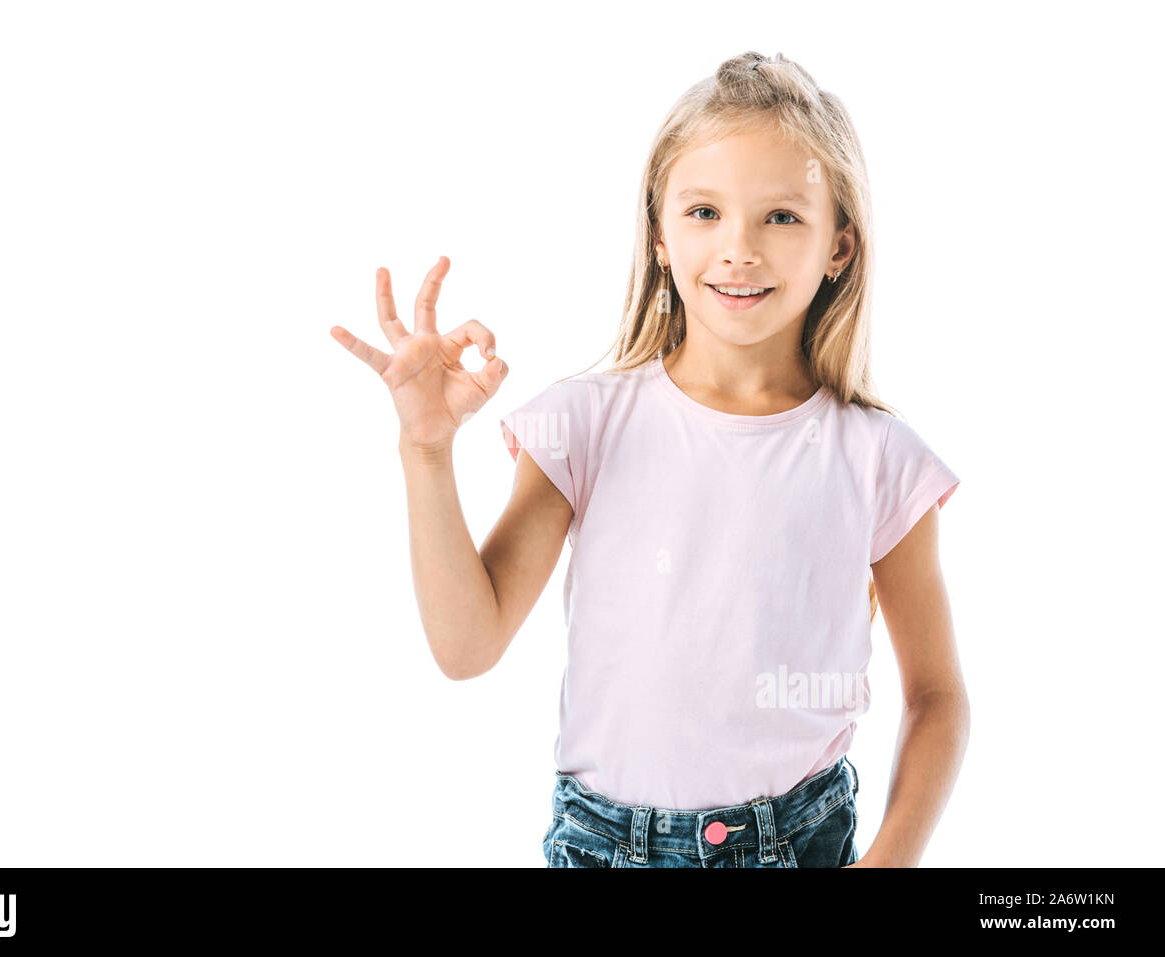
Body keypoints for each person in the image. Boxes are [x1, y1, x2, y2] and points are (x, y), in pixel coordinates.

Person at [329, 51, 967, 868]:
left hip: (798, 842)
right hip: (603, 846)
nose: (738, 249)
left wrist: (890, 859)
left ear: (839, 247)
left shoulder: (880, 460)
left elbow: (939, 698)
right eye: (704, 211)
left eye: (781, 216)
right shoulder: (584, 424)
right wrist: (427, 451)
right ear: (660, 235)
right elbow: (467, 645)